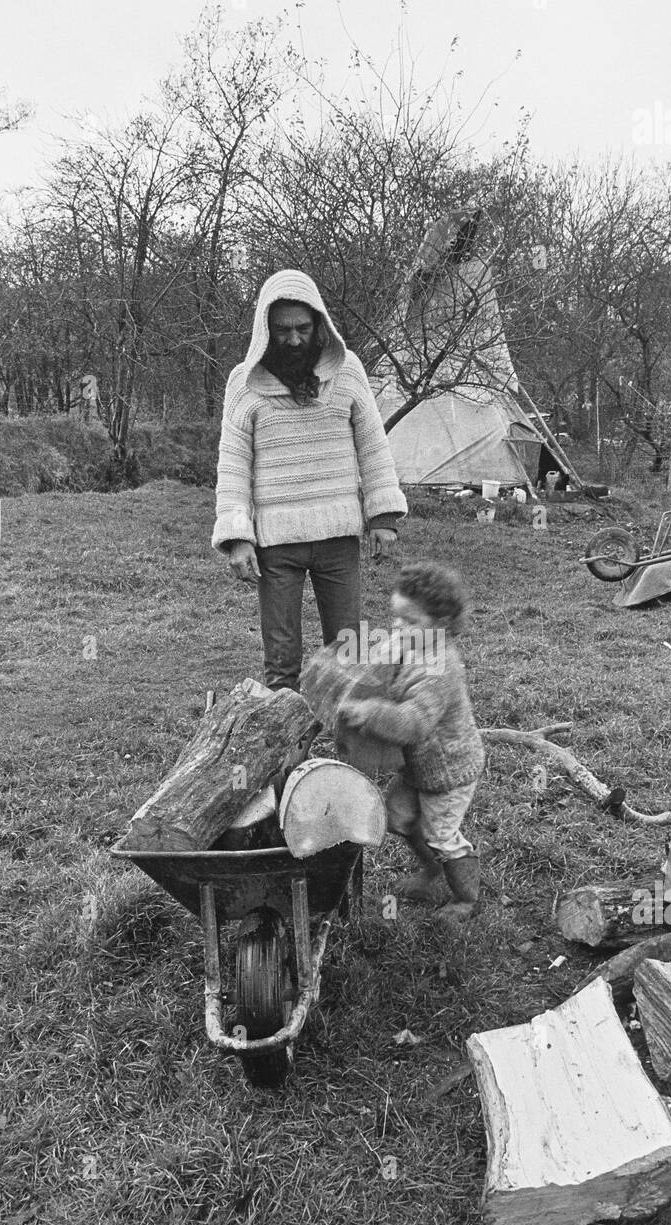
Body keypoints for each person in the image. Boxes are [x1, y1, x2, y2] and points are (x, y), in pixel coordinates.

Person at [212, 269, 407, 691]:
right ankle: (282, 752)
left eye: (303, 328)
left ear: (319, 323)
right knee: (282, 665)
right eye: (283, 330)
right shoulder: (242, 384)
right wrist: (237, 536)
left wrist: (384, 516)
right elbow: (233, 463)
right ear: (266, 328)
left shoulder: (349, 371)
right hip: (276, 544)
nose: (294, 340)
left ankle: (351, 751)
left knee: (348, 656)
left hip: (338, 538)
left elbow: (373, 444)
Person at [340, 562, 485, 926]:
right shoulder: (410, 640)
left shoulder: (440, 669)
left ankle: (466, 898)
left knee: (441, 833)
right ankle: (433, 870)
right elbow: (381, 659)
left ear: (442, 625)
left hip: (449, 771)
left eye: (411, 621)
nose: (399, 628)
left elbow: (415, 722)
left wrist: (370, 712)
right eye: (397, 617)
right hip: (418, 767)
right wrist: (353, 680)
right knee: (399, 818)